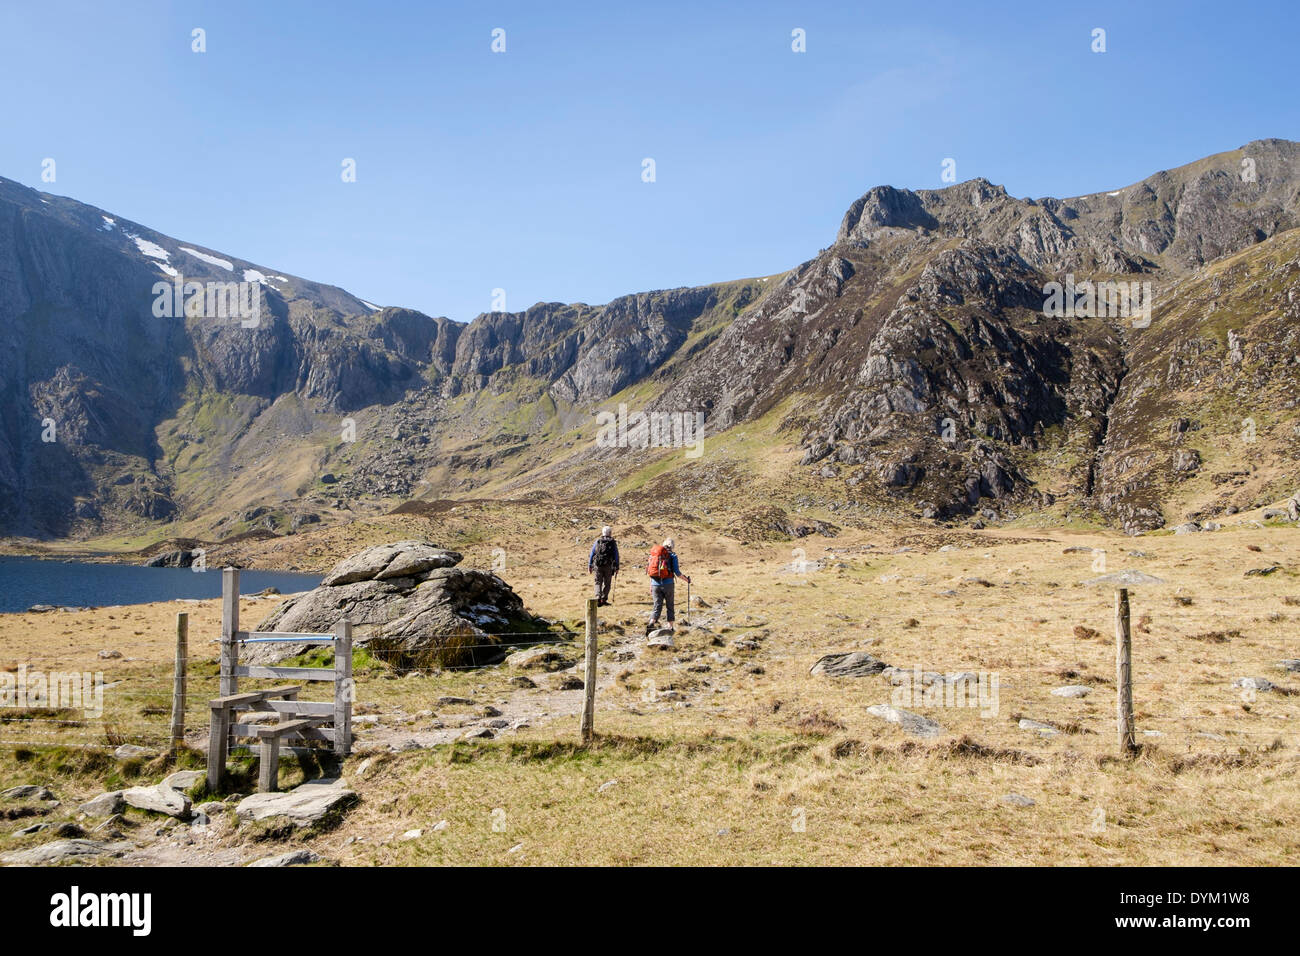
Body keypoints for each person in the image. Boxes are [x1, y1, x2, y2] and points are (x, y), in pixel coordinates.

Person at [647, 537, 690, 631]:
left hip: (655, 584)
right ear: (672, 546)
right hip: (668, 584)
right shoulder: (673, 556)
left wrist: (651, 585)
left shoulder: (655, 555)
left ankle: (651, 623)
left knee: (657, 605)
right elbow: (677, 573)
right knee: (669, 605)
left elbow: (651, 571)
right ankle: (670, 627)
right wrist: (687, 580)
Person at [588, 525, 619, 606]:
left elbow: (592, 553)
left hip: (598, 565)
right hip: (608, 566)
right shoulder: (612, 542)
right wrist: (617, 567)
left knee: (598, 582)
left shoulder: (598, 541)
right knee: (607, 583)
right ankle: (604, 599)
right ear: (610, 533)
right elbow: (616, 555)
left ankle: (598, 597)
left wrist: (590, 565)